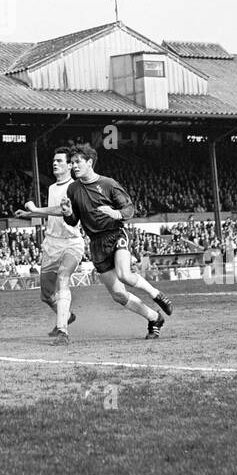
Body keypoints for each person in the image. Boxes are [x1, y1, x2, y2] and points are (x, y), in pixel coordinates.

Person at [60, 144, 170, 339]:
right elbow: (73, 220)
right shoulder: (72, 189)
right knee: (118, 295)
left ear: (89, 163)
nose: (73, 166)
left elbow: (129, 208)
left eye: (77, 162)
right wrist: (68, 213)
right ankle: (154, 318)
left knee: (124, 274)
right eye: (72, 162)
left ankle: (156, 294)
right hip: (96, 244)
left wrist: (115, 213)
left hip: (115, 234)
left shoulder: (108, 184)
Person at [13, 145, 84, 345]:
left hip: (71, 243)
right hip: (51, 243)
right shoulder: (52, 187)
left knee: (63, 277)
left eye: (60, 160)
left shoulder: (75, 187)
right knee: (46, 295)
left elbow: (62, 211)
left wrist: (35, 208)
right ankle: (66, 315)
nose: (55, 163)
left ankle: (63, 329)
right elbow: (51, 211)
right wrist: (29, 214)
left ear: (70, 165)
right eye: (54, 160)